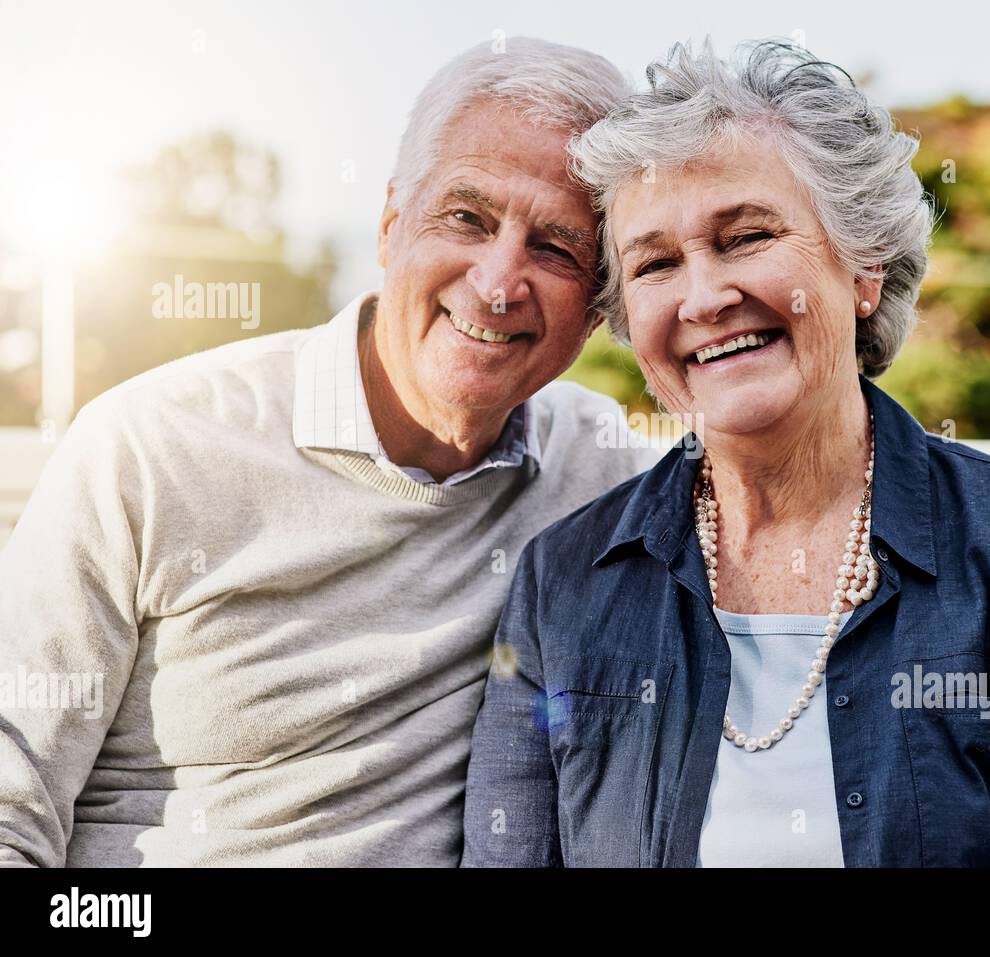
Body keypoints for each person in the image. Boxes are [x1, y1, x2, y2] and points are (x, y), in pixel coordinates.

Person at [462, 40, 990, 867]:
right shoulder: (567, 580)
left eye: (745, 237)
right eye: (656, 263)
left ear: (864, 266)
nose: (703, 297)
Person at [0, 37, 655, 867]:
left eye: (555, 248)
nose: (497, 282)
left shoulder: (606, 475)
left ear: (599, 309)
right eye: (466, 217)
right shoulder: (145, 447)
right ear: (389, 226)